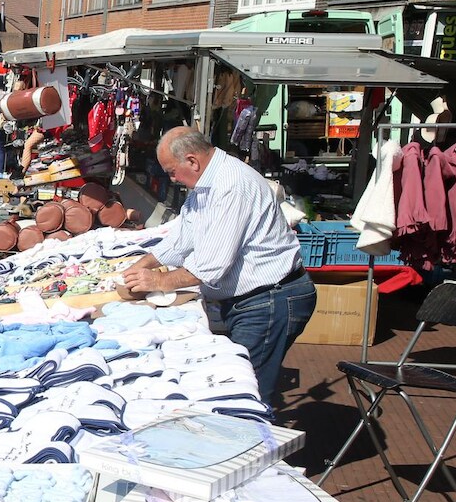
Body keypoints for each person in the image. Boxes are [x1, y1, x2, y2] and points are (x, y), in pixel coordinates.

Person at [122, 127, 316, 405]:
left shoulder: (230, 185)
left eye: (172, 172)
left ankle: (254, 430)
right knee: (236, 383)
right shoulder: (204, 186)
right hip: (254, 300)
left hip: (268, 300)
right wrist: (145, 262)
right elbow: (182, 238)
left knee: (241, 393)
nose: (172, 179)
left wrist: (158, 281)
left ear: (192, 161)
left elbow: (210, 266)